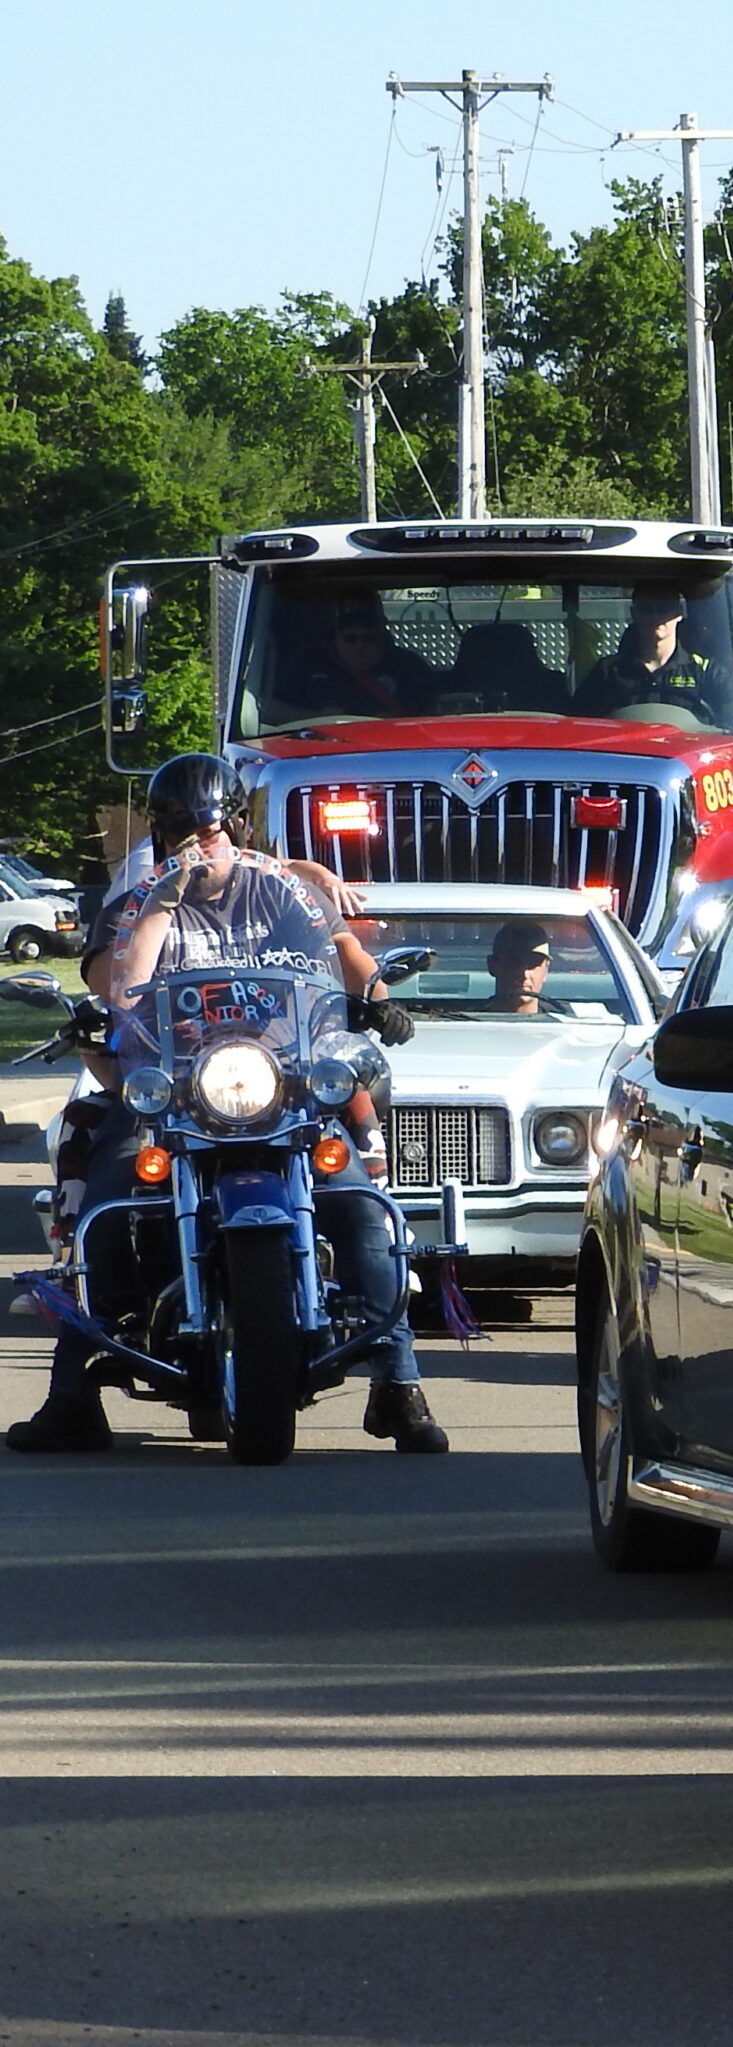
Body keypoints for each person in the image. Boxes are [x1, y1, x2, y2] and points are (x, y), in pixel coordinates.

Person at [7, 756, 443, 1455]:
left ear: (235, 825)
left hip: (281, 1081)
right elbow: (118, 990)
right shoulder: (137, 900)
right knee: (108, 1200)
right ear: (159, 835)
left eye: (208, 830)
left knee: (361, 1206)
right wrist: (162, 905)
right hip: (174, 1091)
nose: (197, 845)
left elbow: (342, 951)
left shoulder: (281, 891)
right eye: (179, 832)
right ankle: (73, 1394)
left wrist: (379, 1002)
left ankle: (398, 1382)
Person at [571, 591, 733, 724]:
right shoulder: (607, 672)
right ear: (634, 614)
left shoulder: (707, 672)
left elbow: (731, 728)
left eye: (664, 608)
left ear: (679, 613)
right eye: (646, 609)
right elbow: (580, 724)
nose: (655, 616)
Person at [273, 599, 438, 721]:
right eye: (350, 639)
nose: (359, 647)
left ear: (382, 634)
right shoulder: (309, 664)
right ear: (335, 637)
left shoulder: (410, 667)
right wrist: (317, 717)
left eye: (368, 638)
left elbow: (435, 713)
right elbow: (270, 710)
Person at [487, 920, 553, 1014]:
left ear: (546, 970)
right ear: (493, 965)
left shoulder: (569, 1024)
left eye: (533, 963)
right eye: (514, 962)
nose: (523, 974)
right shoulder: (465, 1024)